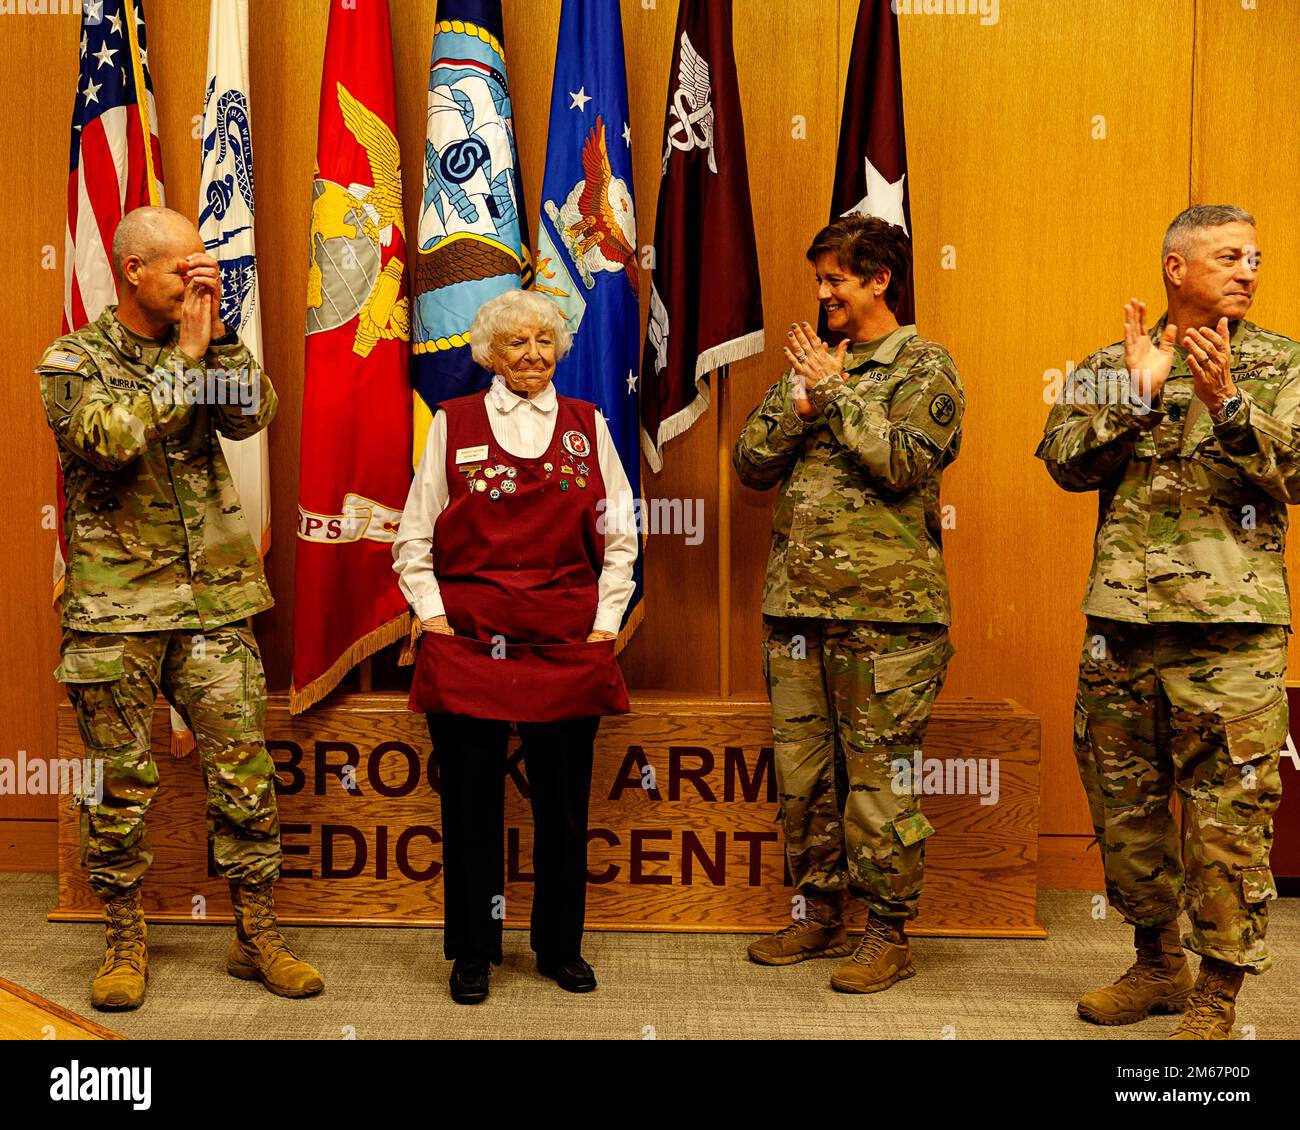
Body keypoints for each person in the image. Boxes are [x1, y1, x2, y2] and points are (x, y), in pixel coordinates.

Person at [37, 205, 323, 1009]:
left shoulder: (206, 343)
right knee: (118, 784)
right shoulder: (72, 359)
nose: (200, 279)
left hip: (213, 606)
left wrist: (218, 337)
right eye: (182, 269)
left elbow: (250, 415)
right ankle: (125, 936)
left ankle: (255, 932)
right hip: (116, 612)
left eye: (206, 266)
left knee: (246, 775)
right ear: (132, 271)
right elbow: (109, 440)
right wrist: (186, 358)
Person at [1037, 204, 1298, 1040]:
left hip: (1232, 637)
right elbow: (1064, 462)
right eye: (1229, 256)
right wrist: (1135, 397)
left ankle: (1218, 994)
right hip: (1123, 629)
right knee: (1125, 809)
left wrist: (1229, 408)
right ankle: (1157, 963)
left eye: (1255, 258)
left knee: (1229, 821)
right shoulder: (1114, 364)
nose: (1249, 271)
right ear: (1176, 270)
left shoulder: (1282, 366)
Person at [733, 214, 964, 993]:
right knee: (805, 779)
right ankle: (817, 912)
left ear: (879, 281)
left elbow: (901, 463)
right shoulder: (818, 361)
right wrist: (795, 407)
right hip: (797, 609)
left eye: (836, 279)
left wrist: (835, 396)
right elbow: (750, 466)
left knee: (878, 783)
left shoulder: (925, 365)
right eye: (820, 278)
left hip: (889, 617)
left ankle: (888, 932)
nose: (823, 292)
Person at [392, 288, 637, 1004]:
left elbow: (620, 535)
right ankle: (473, 950)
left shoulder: (589, 425)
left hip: (566, 639)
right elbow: (413, 536)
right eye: (514, 344)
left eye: (542, 341)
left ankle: (560, 946)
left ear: (559, 348)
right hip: (468, 642)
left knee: (563, 805)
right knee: (469, 805)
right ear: (488, 355)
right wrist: (434, 618)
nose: (531, 354)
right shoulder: (453, 423)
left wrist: (605, 623)